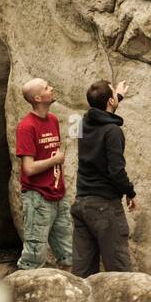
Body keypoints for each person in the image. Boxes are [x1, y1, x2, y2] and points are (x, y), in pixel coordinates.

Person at [71, 79, 136, 276]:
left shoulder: (83, 123)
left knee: (83, 273)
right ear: (110, 100)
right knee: (119, 272)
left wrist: (117, 97)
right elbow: (116, 171)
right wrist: (130, 192)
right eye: (114, 95)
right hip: (104, 206)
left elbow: (100, 114)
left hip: (82, 204)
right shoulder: (113, 131)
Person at [14, 77, 72, 271]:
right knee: (34, 256)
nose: (52, 88)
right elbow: (28, 168)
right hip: (37, 198)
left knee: (69, 254)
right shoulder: (26, 126)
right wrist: (55, 160)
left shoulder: (53, 120)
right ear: (38, 98)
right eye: (47, 87)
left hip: (58, 194)